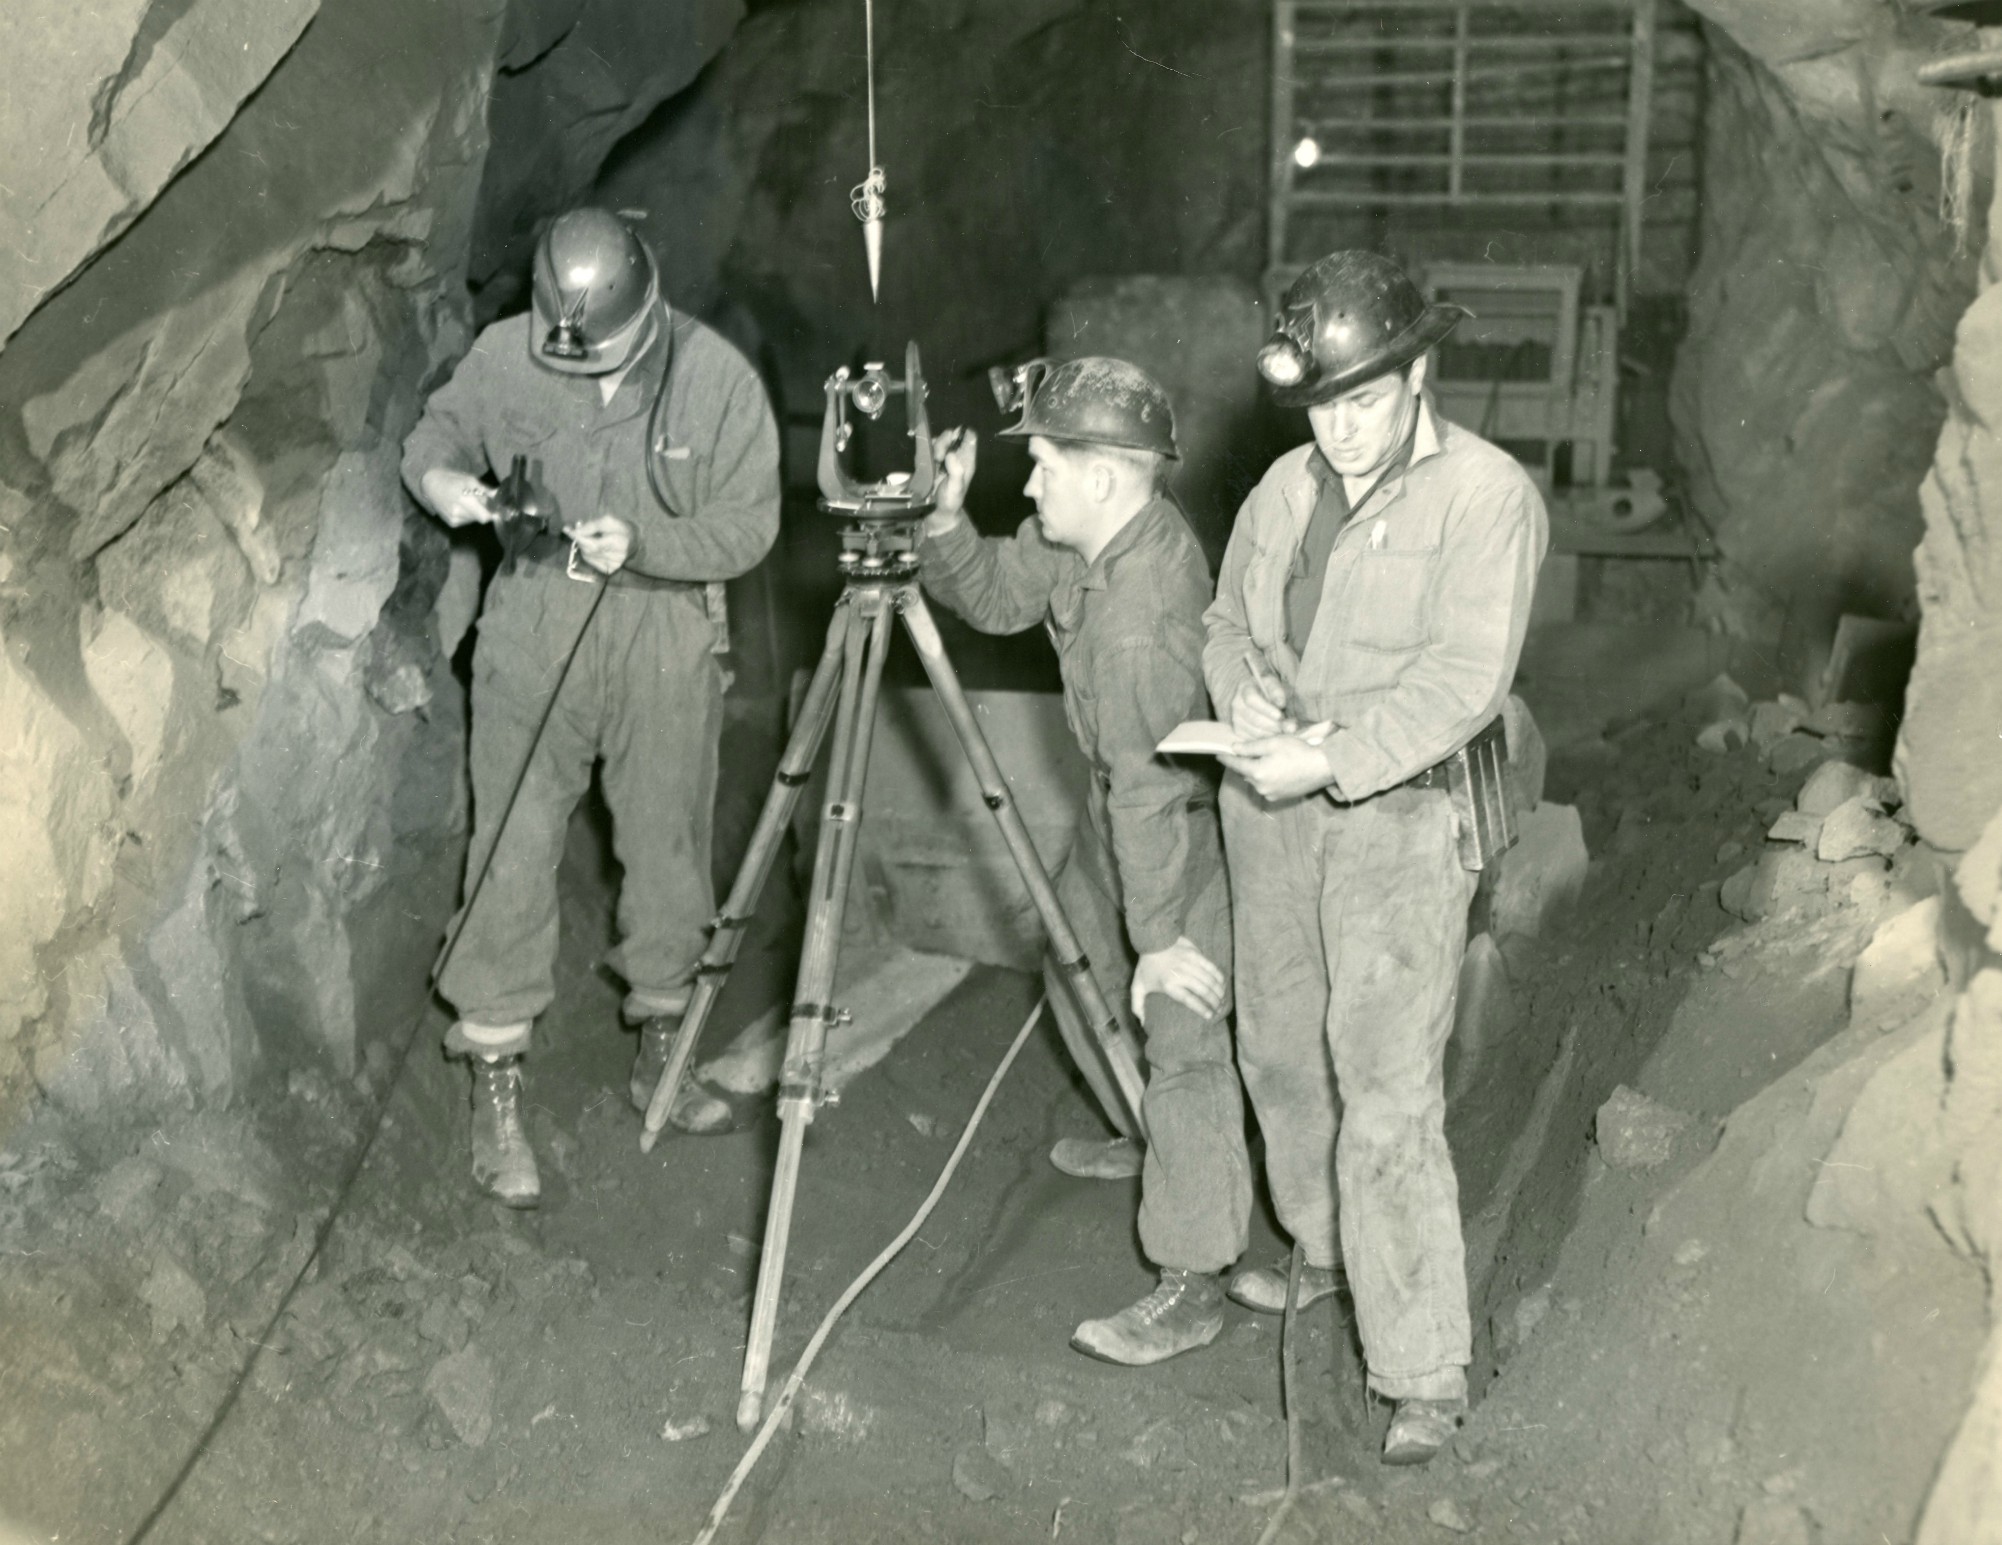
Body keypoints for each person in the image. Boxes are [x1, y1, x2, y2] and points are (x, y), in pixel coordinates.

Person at [1205, 250, 1547, 1463]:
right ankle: (1327, 1254)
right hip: (1273, 810)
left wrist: (1335, 757)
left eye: (1362, 400)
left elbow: (1464, 679)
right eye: (1321, 407)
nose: (1340, 432)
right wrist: (1245, 705)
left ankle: (1418, 1372)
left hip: (1401, 822)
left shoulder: (1484, 496)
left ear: (1416, 372)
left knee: (1387, 1092)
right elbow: (1228, 621)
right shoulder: (1284, 489)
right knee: (1279, 1052)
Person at [401, 207, 780, 1208]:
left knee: (664, 842)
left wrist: (649, 545)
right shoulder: (505, 354)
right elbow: (436, 432)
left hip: (660, 633)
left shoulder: (715, 378)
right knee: (511, 848)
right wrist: (443, 481)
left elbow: (750, 526)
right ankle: (495, 1086)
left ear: (644, 303)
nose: (574, 364)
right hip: (533, 623)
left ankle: (663, 1046)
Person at [918, 357, 1252, 1364]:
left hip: (1185, 836)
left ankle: (1196, 1277)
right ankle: (1143, 1131)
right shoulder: (1098, 541)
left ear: (1101, 478)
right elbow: (1000, 599)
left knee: (1181, 1031)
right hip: (1127, 819)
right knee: (1075, 967)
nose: (1026, 485)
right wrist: (942, 525)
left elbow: (1151, 789)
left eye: (1043, 469)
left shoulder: (1142, 619)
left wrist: (1157, 944)